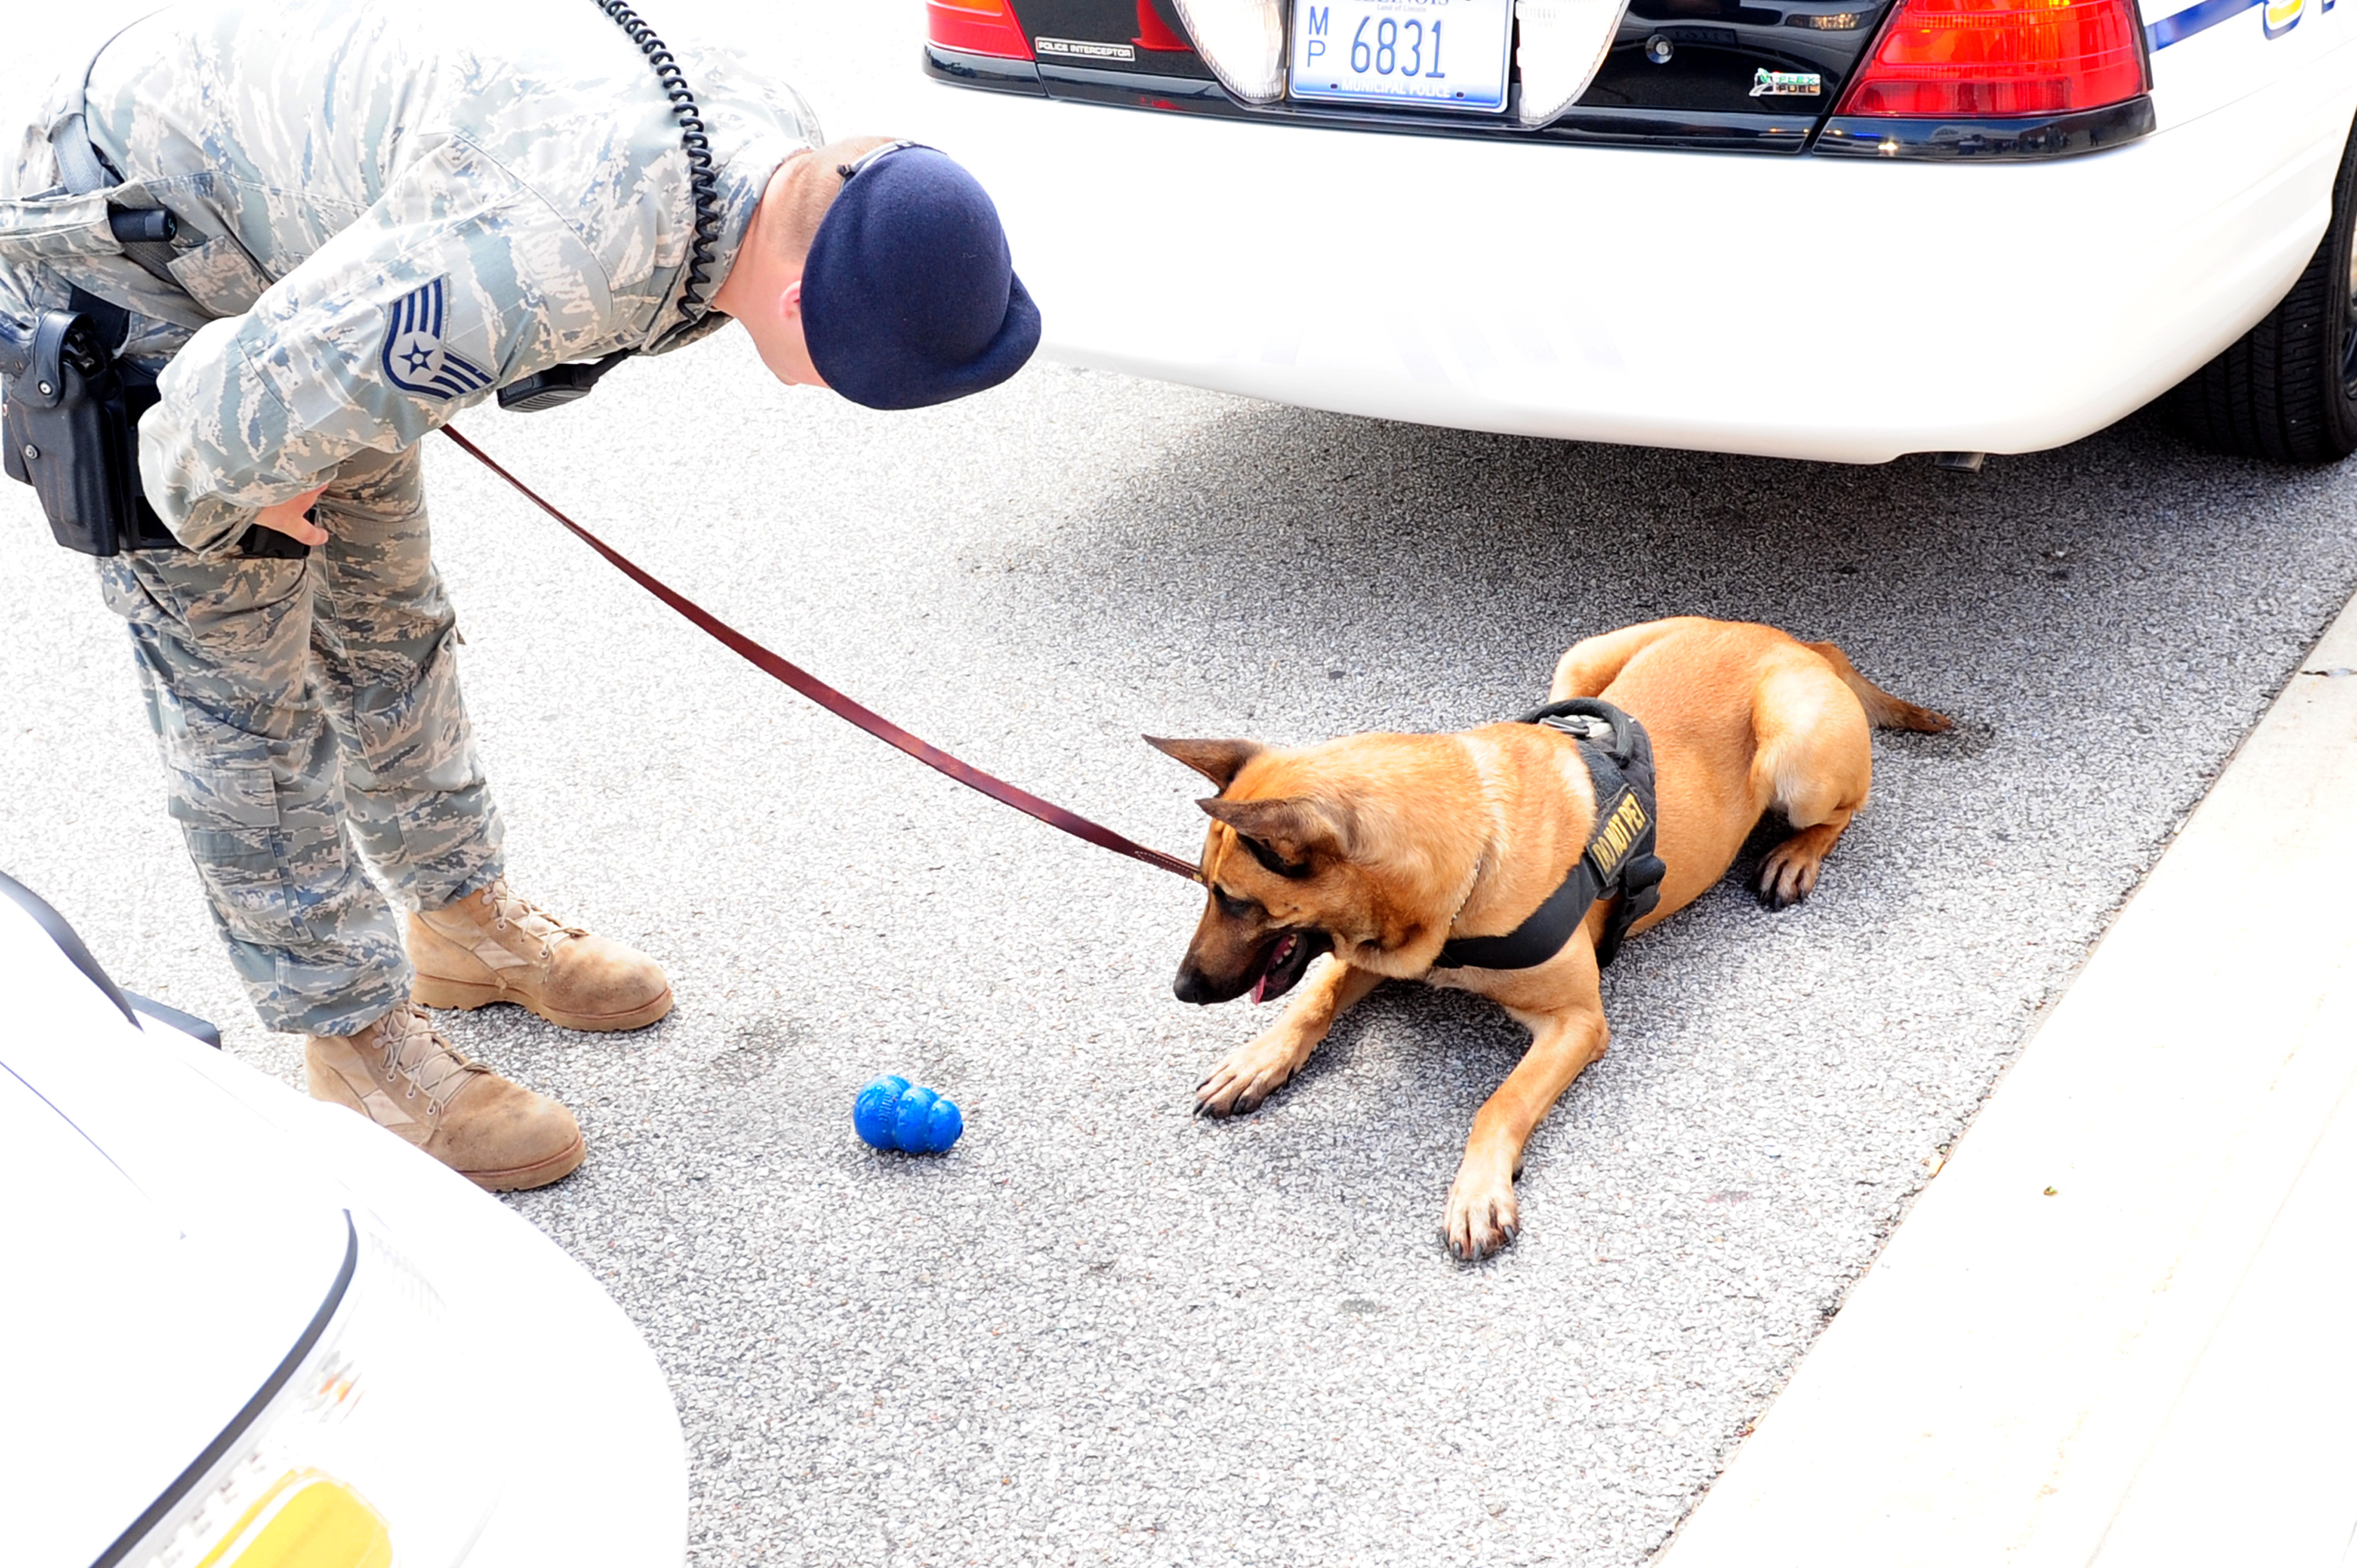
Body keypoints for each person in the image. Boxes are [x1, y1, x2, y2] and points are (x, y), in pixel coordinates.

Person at [0, 1, 1039, 1190]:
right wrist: (231, 492)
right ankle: (353, 1042)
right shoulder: (539, 258)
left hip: (321, 251)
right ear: (806, 304)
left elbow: (385, 310)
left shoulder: (787, 167)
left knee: (388, 620)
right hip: (127, 224)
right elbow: (225, 413)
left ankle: (457, 920)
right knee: (240, 681)